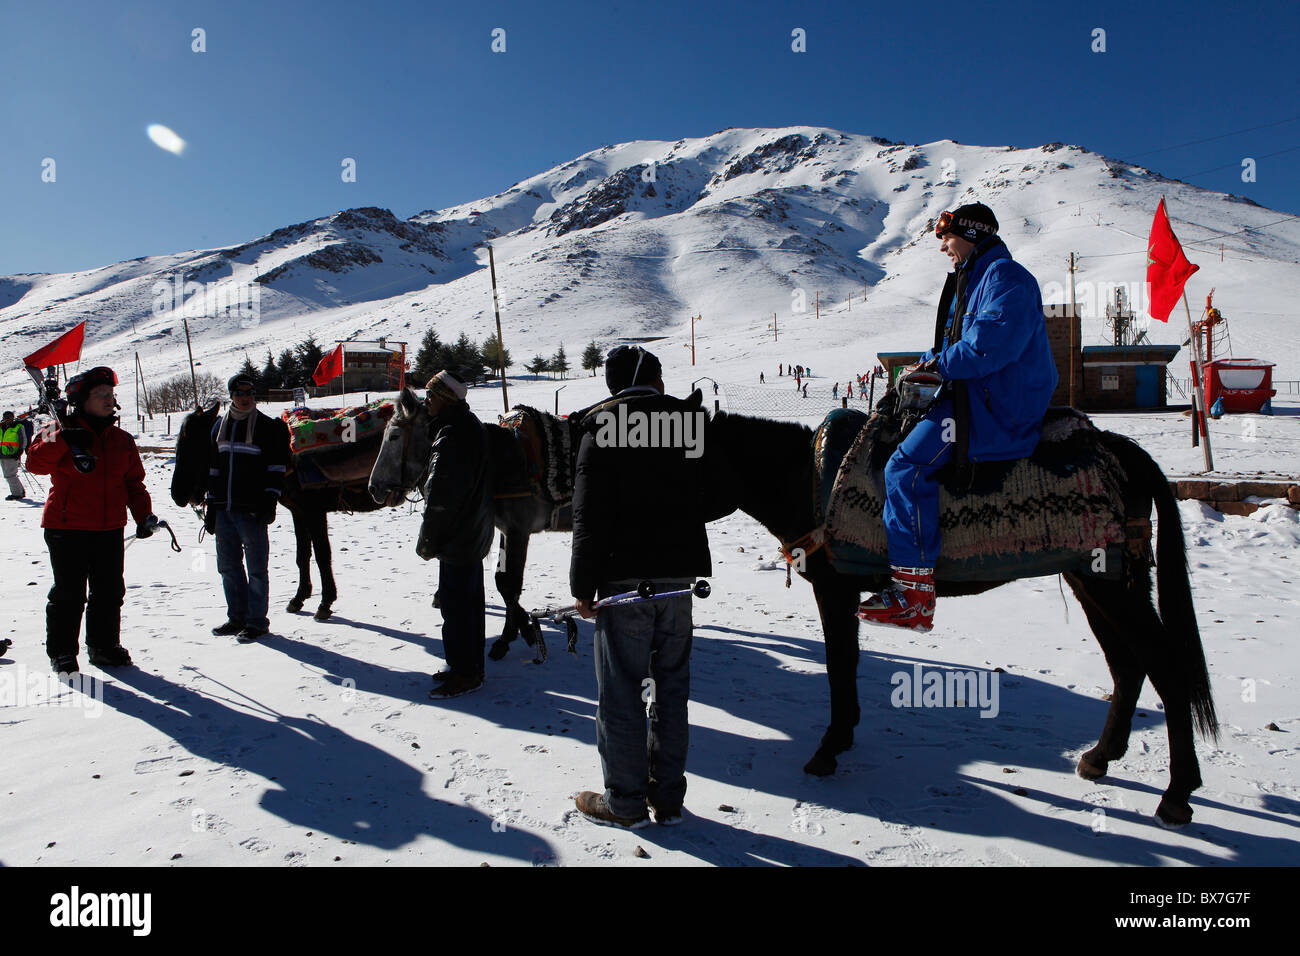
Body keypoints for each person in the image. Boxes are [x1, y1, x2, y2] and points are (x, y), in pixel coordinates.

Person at [857, 203, 1057, 630]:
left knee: (905, 466)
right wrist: (925, 363)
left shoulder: (1006, 278)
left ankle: (913, 594)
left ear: (969, 233)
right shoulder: (980, 277)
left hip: (997, 408)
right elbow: (961, 343)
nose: (944, 247)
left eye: (946, 238)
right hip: (978, 396)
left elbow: (987, 348)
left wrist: (938, 368)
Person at [569, 345, 726, 828]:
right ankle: (669, 800)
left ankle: (625, 803)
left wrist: (583, 584)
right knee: (672, 692)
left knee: (622, 693)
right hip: (679, 584)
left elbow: (588, 514)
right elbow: (718, 494)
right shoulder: (691, 422)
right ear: (657, 380)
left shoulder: (602, 426)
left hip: (622, 583)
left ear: (614, 385)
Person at [25, 367, 156, 673]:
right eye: (101, 395)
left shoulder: (122, 439)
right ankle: (62, 652)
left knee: (109, 592)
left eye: (111, 394)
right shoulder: (56, 429)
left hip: (110, 527)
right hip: (66, 527)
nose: (109, 400)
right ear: (82, 399)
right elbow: (33, 462)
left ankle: (103, 646)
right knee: (69, 593)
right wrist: (61, 439)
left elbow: (134, 483)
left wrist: (143, 515)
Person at [415, 370, 493, 699]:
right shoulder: (469, 426)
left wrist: (428, 540)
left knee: (457, 607)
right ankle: (469, 665)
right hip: (473, 533)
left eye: (431, 397)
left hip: (457, 536)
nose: (426, 402)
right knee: (470, 605)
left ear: (445, 399)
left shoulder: (451, 435)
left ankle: (464, 673)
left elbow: (441, 498)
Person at [206, 373, 290, 642]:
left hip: (252, 511)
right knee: (228, 567)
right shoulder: (219, 427)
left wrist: (270, 500)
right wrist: (211, 505)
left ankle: (257, 621)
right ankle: (236, 617)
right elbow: (213, 469)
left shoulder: (268, 427)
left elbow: (277, 467)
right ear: (231, 395)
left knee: (256, 569)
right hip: (224, 511)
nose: (245, 398)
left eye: (250, 394)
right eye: (240, 394)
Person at [1, 410, 27, 500]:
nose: (7, 419)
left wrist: (20, 452)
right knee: (9, 475)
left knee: (10, 475)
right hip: (2, 454)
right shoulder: (2, 427)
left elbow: (23, 440)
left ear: (13, 418)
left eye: (9, 417)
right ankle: (20, 491)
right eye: (5, 417)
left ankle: (17, 494)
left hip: (12, 455)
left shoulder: (17, 427)